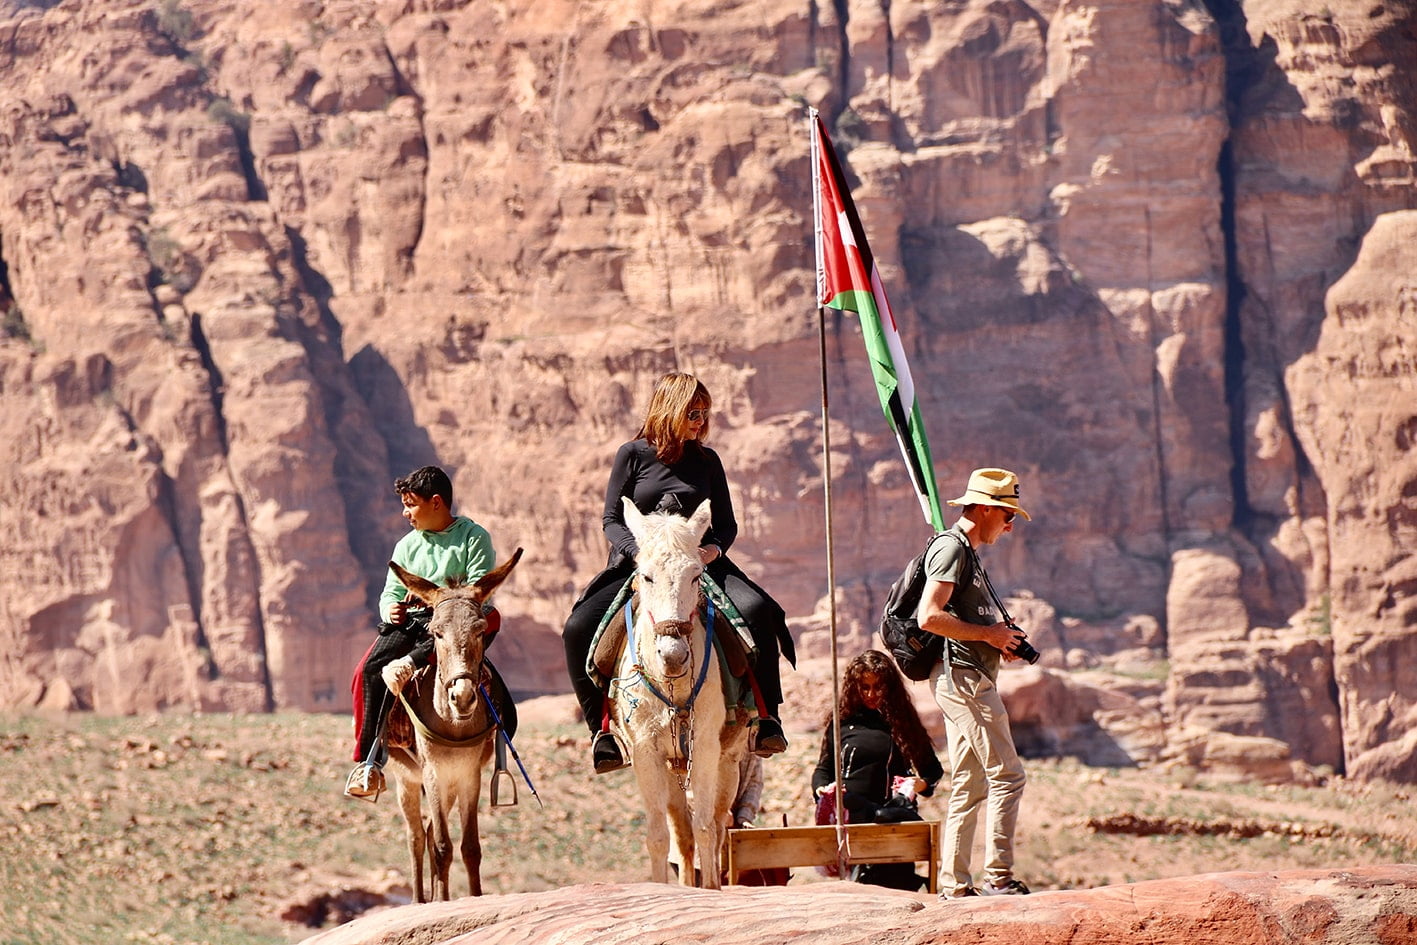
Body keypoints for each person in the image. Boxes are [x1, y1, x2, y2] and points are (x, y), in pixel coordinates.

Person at [562, 371, 796, 774]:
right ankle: (601, 733)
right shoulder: (632, 454)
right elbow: (611, 519)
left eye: (705, 413)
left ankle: (767, 717)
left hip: (696, 562)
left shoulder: (708, 461)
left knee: (757, 610)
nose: (701, 422)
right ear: (670, 409)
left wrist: (711, 551)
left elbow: (726, 524)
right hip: (641, 563)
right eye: (694, 412)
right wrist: (639, 552)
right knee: (577, 628)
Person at [344, 465, 512, 798]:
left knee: (474, 635)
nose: (406, 513)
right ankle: (367, 763)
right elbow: (391, 592)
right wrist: (390, 610)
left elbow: (478, 589)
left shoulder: (473, 537)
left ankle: (498, 754)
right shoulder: (406, 546)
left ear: (436, 502)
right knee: (367, 669)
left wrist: (430, 594)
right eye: (404, 505)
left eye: (411, 504)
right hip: (413, 622)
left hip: (457, 622)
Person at [915, 467, 1033, 897]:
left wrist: (998, 636)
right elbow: (929, 616)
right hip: (963, 680)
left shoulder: (966, 551)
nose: (1009, 525)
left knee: (970, 782)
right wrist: (989, 635)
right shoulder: (952, 549)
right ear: (984, 508)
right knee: (1008, 776)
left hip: (968, 676)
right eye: (1008, 515)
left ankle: (955, 886)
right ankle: (999, 879)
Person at [811, 650, 944, 890]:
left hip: (891, 822)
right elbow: (824, 769)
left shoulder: (902, 721)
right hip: (851, 821)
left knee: (896, 891)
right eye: (865, 687)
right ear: (854, 687)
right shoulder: (841, 722)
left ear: (890, 687)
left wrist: (916, 785)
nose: (872, 694)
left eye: (878, 687)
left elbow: (932, 771)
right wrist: (822, 789)